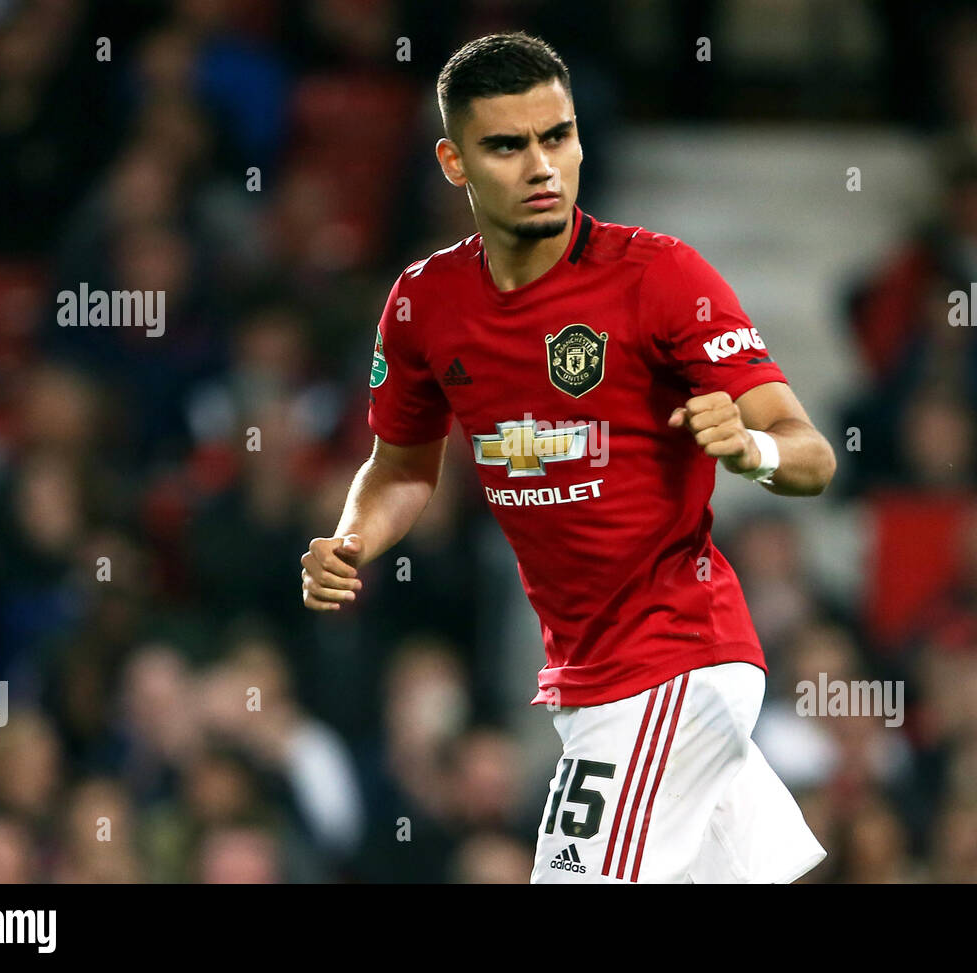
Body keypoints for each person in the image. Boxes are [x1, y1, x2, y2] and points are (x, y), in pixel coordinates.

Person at [300, 32, 834, 884]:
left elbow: (812, 455)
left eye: (559, 135)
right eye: (508, 145)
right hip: (593, 672)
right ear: (454, 161)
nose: (542, 164)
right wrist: (353, 538)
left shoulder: (659, 278)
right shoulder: (423, 305)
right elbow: (401, 468)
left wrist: (752, 447)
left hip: (670, 661)